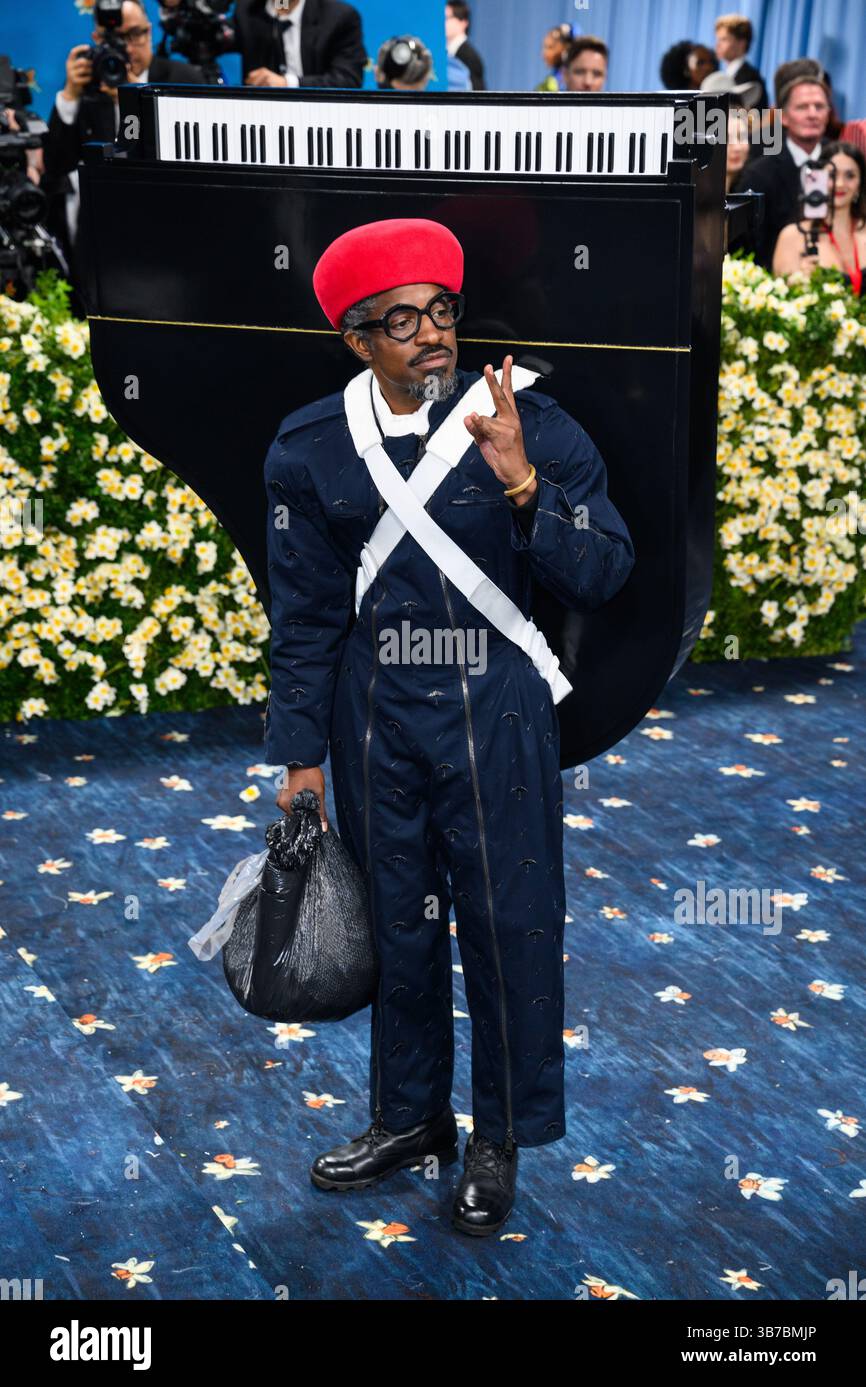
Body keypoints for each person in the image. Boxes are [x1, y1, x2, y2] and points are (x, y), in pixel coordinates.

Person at [263, 217, 635, 1235]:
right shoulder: (306, 446)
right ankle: (408, 1116)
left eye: (441, 312)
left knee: (506, 929)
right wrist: (301, 764)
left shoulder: (530, 421)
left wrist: (521, 482)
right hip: (372, 723)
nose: (430, 337)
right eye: (400, 320)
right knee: (398, 929)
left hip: (495, 717)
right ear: (355, 339)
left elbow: (604, 570)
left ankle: (497, 1136)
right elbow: (302, 618)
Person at [41, 0, 203, 310]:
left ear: (150, 33)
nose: (126, 47)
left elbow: (189, 163)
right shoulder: (87, 89)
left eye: (135, 35)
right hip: (103, 241)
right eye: (113, 38)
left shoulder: (183, 78)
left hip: (170, 234)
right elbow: (56, 166)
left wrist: (130, 99)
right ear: (96, 40)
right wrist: (68, 97)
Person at [733, 75, 832, 268]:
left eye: (819, 106)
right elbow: (745, 249)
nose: (813, 114)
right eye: (802, 107)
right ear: (784, 117)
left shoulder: (844, 166)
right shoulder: (758, 175)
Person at [772, 141, 866, 295]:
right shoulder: (793, 236)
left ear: (860, 184)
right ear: (817, 180)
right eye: (832, 175)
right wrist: (797, 283)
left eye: (850, 175)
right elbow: (781, 304)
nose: (840, 183)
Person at [233, 0, 365, 88]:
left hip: (320, 115)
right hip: (260, 117)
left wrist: (287, 83)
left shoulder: (339, 17)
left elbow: (348, 79)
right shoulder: (247, 11)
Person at [713, 12, 768, 111]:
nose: (718, 45)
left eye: (724, 39)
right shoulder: (725, 75)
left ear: (741, 43)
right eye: (718, 39)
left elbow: (756, 119)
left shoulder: (751, 78)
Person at [445, 2, 486, 92]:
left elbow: (477, 95)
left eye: (447, 18)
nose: (442, 23)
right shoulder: (447, 52)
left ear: (463, 22)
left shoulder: (469, 56)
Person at [536, 24, 572, 92]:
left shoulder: (571, 79)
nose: (544, 54)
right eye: (544, 47)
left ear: (565, 48)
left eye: (550, 47)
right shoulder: (552, 79)